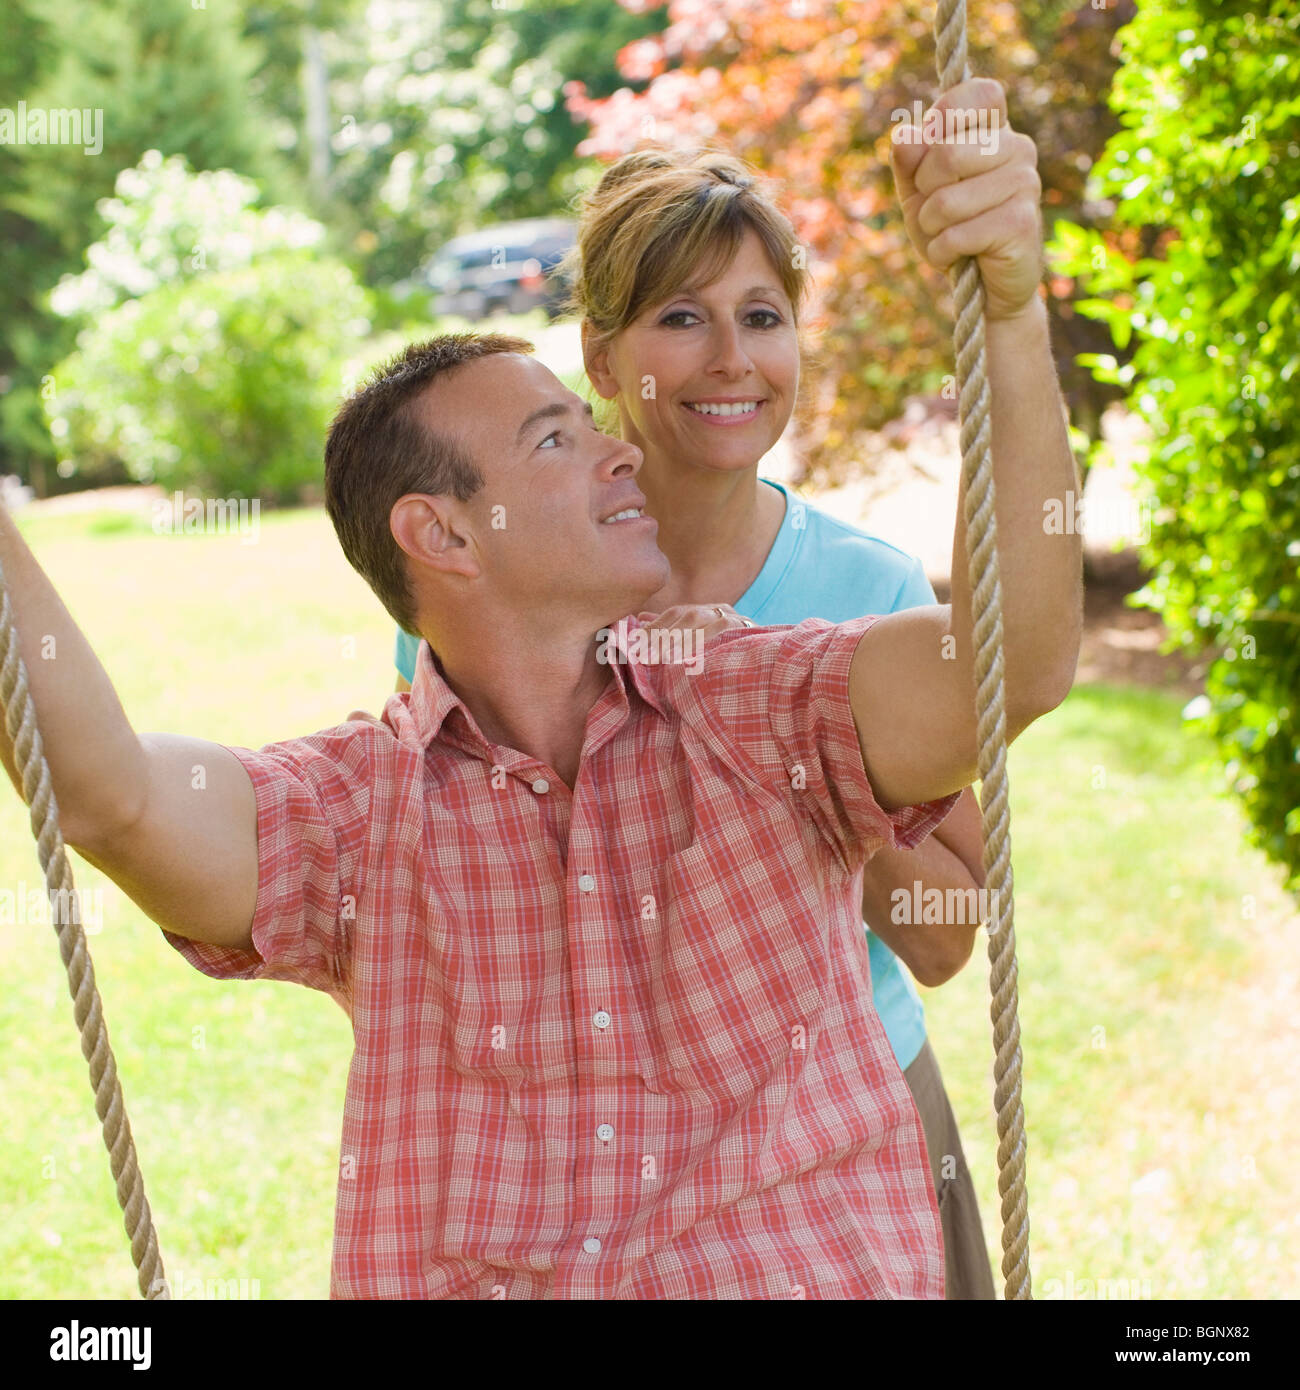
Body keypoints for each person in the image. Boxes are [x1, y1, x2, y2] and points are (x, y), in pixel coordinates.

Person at [0, 78, 1081, 1299]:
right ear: (443, 537)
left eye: (763, 315)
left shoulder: (763, 697)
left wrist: (1003, 308)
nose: (624, 445)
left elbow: (1015, 658)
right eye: (558, 437)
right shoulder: (364, 811)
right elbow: (111, 797)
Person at [392, 124, 1020, 1295]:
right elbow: (462, 912)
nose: (732, 358)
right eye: (681, 318)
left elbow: (940, 938)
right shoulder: (494, 583)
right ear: (600, 351)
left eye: (763, 316)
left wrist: (771, 719)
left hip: (845, 1130)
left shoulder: (862, 592)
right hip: (592, 1153)